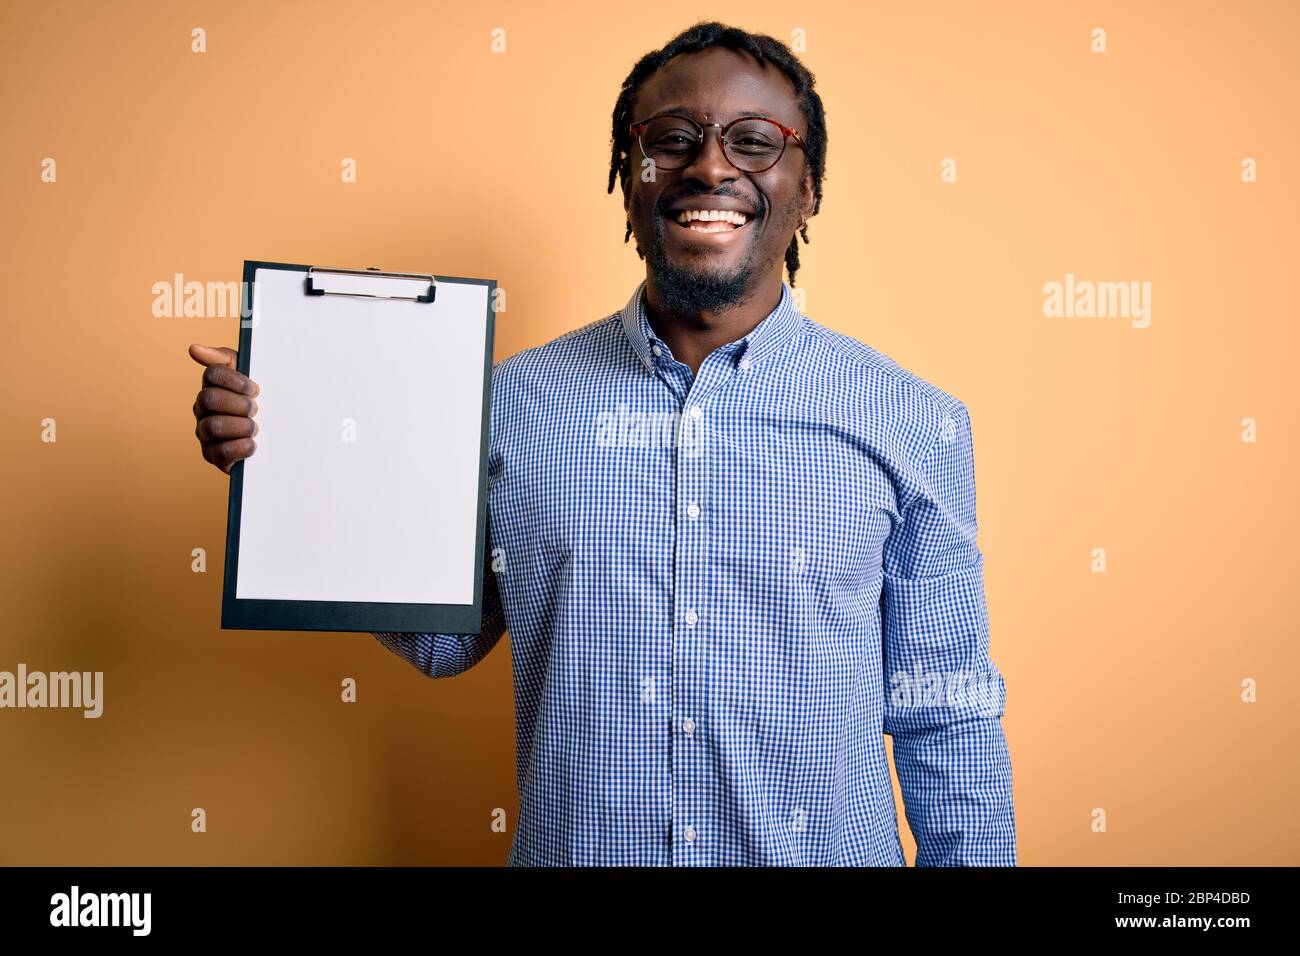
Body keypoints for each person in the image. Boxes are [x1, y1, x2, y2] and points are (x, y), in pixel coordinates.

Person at [189, 20, 1016, 866]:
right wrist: (287, 459)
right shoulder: (508, 405)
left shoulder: (912, 420)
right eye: (671, 139)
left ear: (810, 191)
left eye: (755, 141)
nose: (710, 166)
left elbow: (944, 711)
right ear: (627, 179)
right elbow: (442, 641)